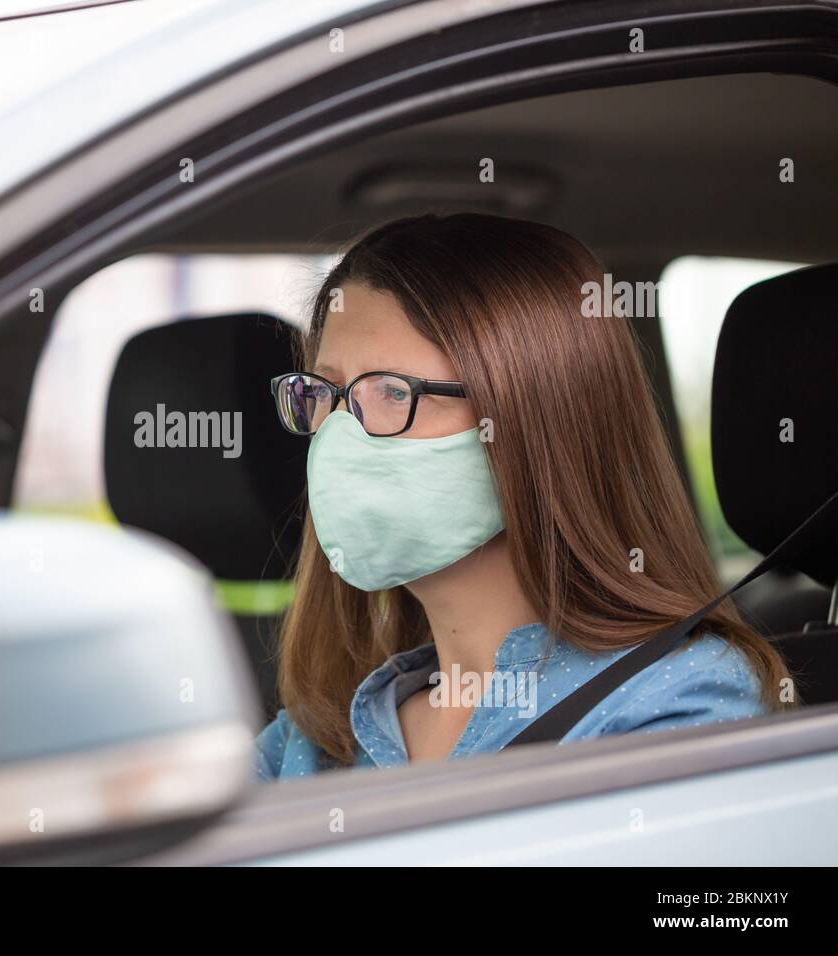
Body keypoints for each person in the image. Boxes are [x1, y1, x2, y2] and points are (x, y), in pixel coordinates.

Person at [257, 213, 788, 780]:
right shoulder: (309, 740)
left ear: (532, 421)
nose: (339, 434)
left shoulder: (674, 698)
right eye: (322, 391)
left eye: (392, 390)